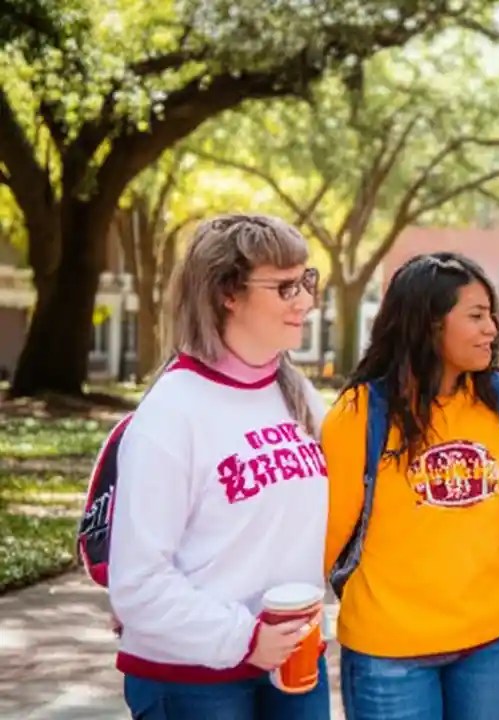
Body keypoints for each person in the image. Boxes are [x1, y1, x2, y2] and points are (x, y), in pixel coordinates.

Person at [107, 214, 331, 718]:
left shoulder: (296, 395)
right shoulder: (171, 412)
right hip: (192, 681)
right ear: (228, 293)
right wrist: (244, 637)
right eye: (285, 287)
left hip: (293, 667)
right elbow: (136, 584)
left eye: (307, 281)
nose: (306, 301)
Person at [321, 251, 499, 720]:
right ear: (429, 324)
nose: (492, 330)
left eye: (492, 316)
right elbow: (326, 537)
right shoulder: (359, 415)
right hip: (389, 650)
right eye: (476, 316)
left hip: (490, 641)